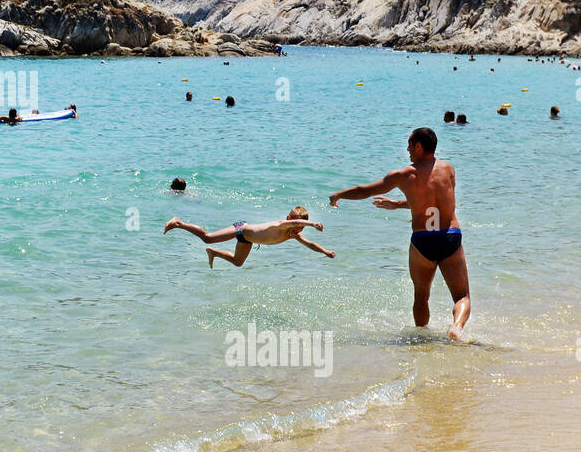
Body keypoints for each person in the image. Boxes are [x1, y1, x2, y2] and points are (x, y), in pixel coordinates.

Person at [329, 127, 470, 341]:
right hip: (449, 235)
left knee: (421, 296)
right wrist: (396, 204)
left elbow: (366, 190)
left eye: (409, 145)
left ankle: (422, 339)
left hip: (423, 240)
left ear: (418, 146)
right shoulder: (449, 169)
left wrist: (339, 194)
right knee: (461, 296)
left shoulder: (404, 175)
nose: (407, 150)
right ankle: (457, 327)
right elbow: (439, 205)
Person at [164, 206, 334, 268]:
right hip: (241, 229)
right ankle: (179, 223)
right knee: (207, 237)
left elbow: (309, 244)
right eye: (298, 226)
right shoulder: (281, 225)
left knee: (238, 263)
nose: (299, 230)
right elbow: (286, 223)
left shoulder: (292, 235)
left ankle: (214, 253)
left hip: (248, 239)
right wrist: (313, 224)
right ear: (290, 220)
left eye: (302, 228)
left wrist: (325, 252)